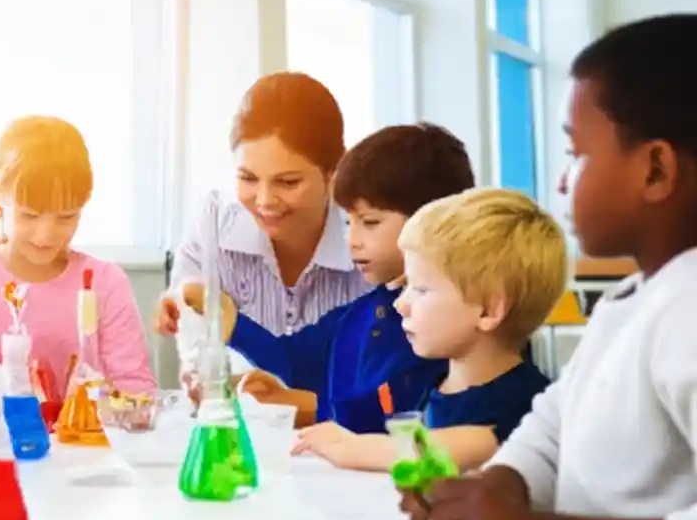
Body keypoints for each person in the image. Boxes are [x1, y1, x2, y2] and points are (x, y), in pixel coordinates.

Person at [401, 14, 697, 520]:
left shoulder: (688, 308)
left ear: (656, 169)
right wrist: (492, 491)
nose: (562, 181)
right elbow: (552, 428)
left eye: (574, 153)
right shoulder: (631, 301)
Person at [184, 123, 472, 431]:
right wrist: (231, 322)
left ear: (431, 222)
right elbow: (294, 360)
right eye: (348, 223)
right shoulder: (362, 312)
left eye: (370, 223)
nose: (352, 240)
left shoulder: (440, 323)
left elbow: (394, 415)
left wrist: (302, 406)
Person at [294, 188, 561, 472]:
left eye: (420, 289)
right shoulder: (432, 382)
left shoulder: (530, 407)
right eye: (406, 285)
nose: (400, 304)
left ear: (488, 311)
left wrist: (349, 446)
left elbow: (432, 451)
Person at [0, 116, 156, 413]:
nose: (45, 235)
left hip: (90, 440)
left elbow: (136, 392)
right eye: (29, 215)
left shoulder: (106, 283)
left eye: (66, 217)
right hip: (0, 440)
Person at [155, 73, 369, 393]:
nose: (265, 201)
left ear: (333, 172)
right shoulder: (214, 220)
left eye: (288, 182)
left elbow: (369, 385)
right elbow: (200, 368)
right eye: (248, 179)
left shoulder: (368, 239)